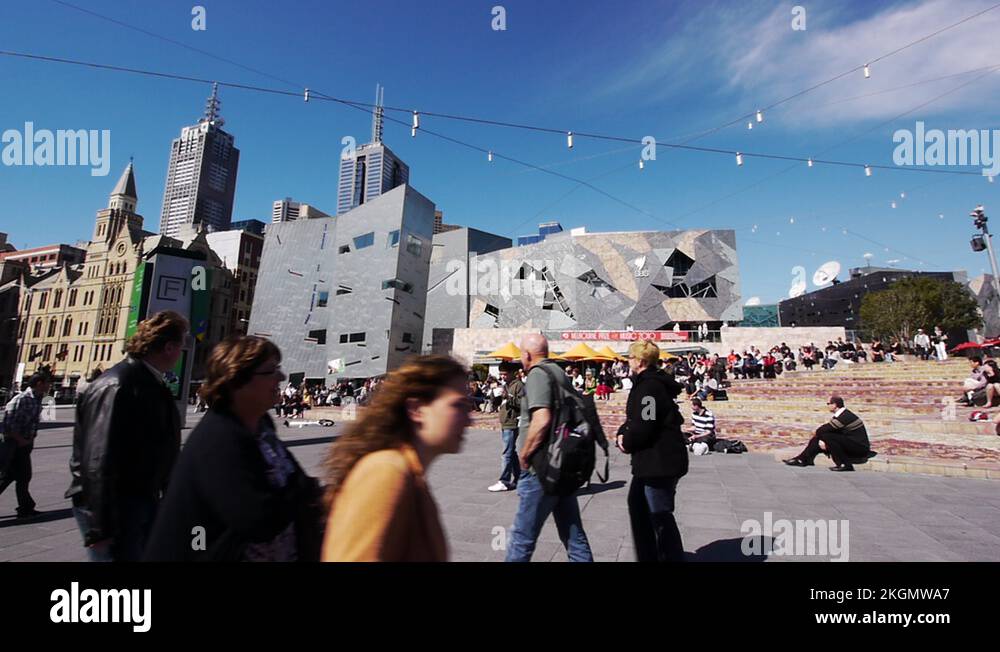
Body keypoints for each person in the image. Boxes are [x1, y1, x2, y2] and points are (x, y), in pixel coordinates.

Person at [145, 336, 323, 561]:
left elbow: (297, 480)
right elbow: (258, 519)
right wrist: (305, 493)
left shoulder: (261, 425)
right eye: (270, 371)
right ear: (238, 380)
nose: (281, 376)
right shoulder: (217, 439)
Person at [321, 356, 472, 561]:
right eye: (458, 406)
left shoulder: (411, 472)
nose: (469, 419)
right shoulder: (385, 473)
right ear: (417, 409)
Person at [66, 310, 187, 562]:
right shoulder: (119, 385)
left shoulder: (148, 382)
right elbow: (98, 459)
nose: (181, 353)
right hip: (118, 505)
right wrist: (100, 525)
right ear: (168, 347)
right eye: (181, 346)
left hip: (138, 498)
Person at [506, 333, 593, 562]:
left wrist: (524, 455)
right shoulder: (558, 372)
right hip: (561, 464)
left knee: (521, 538)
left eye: (520, 354)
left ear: (527, 354)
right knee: (573, 534)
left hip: (542, 468)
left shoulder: (537, 374)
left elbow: (542, 419)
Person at [617, 340, 687, 562]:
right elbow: (637, 418)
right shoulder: (648, 384)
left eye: (630, 357)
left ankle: (670, 557)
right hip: (652, 461)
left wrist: (626, 441)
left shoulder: (649, 387)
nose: (628, 361)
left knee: (659, 515)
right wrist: (623, 430)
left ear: (640, 361)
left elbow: (646, 423)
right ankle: (650, 555)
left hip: (659, 462)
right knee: (638, 504)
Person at [0, 372, 52, 518]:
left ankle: (26, 507)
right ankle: (26, 508)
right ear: (39, 383)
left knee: (9, 476)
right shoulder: (21, 399)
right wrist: (21, 440)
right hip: (15, 444)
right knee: (23, 476)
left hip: (24, 444)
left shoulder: (37, 398)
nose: (50, 385)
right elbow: (8, 425)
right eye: (47, 382)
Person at [783, 396, 872, 471]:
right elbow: (828, 429)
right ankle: (803, 459)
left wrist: (823, 439)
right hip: (851, 443)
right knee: (821, 438)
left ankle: (845, 464)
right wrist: (821, 439)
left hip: (859, 448)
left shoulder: (844, 416)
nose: (827, 406)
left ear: (834, 405)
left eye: (828, 404)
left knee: (828, 436)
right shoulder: (842, 414)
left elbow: (824, 430)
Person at [489, 362, 523, 492]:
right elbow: (499, 403)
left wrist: (508, 397)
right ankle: (519, 478)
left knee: (506, 452)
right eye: (501, 374)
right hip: (505, 421)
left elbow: (523, 403)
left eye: (504, 374)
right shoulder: (506, 385)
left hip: (513, 422)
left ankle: (504, 480)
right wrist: (495, 396)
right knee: (511, 452)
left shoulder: (518, 385)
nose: (502, 377)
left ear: (511, 374)